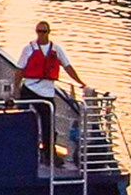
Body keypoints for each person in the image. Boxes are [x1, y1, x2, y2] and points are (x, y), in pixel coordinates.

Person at [12, 21, 84, 159]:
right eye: (38, 31)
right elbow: (19, 69)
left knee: (48, 125)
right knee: (24, 119)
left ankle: (49, 153)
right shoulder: (29, 48)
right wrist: (16, 88)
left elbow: (67, 67)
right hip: (30, 89)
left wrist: (80, 82)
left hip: (47, 93)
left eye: (43, 31)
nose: (41, 34)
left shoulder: (56, 50)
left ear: (48, 32)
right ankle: (21, 149)